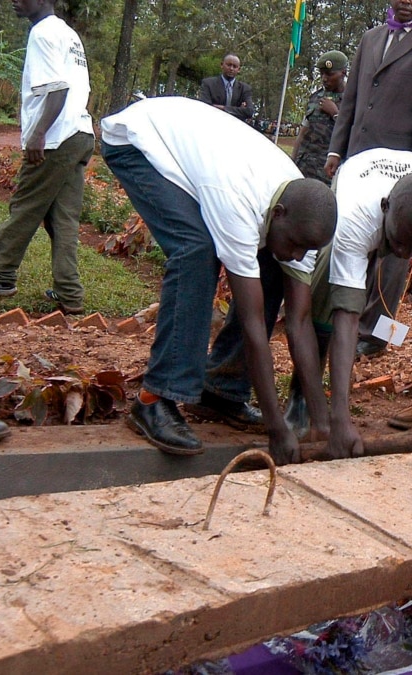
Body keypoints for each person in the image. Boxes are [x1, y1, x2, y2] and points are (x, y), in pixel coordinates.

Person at [99, 97, 335, 463]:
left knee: (274, 265)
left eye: (307, 250)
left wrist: (320, 419)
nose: (298, 255)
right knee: (195, 251)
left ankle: (222, 389)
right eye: (295, 245)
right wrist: (277, 427)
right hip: (139, 141)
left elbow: (300, 322)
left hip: (203, 154)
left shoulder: (304, 221)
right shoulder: (237, 201)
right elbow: (256, 327)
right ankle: (154, 399)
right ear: (278, 213)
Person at [297, 149, 412, 456]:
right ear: (386, 208)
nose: (404, 254)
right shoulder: (356, 215)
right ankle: (302, 403)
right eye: (398, 242)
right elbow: (348, 316)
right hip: (361, 181)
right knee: (328, 292)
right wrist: (339, 419)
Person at [324, 0, 412, 358]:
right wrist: (337, 151)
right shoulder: (370, 39)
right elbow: (352, 102)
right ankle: (341, 320)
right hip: (358, 162)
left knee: (394, 251)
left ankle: (374, 333)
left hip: (399, 173)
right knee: (351, 237)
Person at [0, 0, 93, 318]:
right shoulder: (68, 33)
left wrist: (37, 134)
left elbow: (57, 90)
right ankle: (70, 294)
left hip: (55, 137)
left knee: (25, 208)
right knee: (63, 219)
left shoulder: (43, 33)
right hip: (80, 132)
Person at [292, 51, 347, 185]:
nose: (324, 78)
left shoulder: (353, 100)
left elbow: (355, 135)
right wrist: (292, 160)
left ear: (343, 73)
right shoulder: (315, 97)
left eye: (329, 74)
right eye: (321, 74)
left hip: (329, 171)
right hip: (304, 167)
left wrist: (335, 113)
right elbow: (303, 132)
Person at [197, 53, 253, 122]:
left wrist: (223, 108)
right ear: (222, 65)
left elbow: (249, 111)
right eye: (229, 65)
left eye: (234, 66)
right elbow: (205, 107)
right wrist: (239, 110)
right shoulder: (208, 83)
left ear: (238, 69)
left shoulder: (245, 89)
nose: (231, 68)